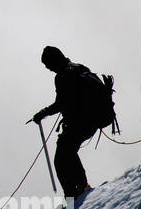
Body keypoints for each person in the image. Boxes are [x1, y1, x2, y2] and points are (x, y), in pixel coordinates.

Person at [29, 46, 96, 197]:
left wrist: (42, 113)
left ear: (54, 61)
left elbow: (60, 103)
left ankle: (74, 193)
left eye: (48, 65)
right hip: (91, 119)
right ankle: (82, 186)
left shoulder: (63, 76)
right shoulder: (80, 68)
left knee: (61, 160)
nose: (48, 68)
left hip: (78, 123)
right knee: (68, 153)